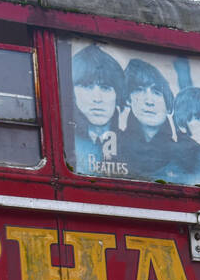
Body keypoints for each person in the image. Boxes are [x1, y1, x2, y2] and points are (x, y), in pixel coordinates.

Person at [70, 44, 125, 176]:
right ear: (73, 93)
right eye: (87, 87)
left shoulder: (130, 145)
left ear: (117, 95)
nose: (97, 98)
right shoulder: (67, 143)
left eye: (105, 88)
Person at [118, 58, 177, 179]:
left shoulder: (183, 154)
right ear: (129, 99)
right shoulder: (114, 148)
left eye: (156, 92)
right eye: (139, 90)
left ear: (168, 104)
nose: (149, 101)